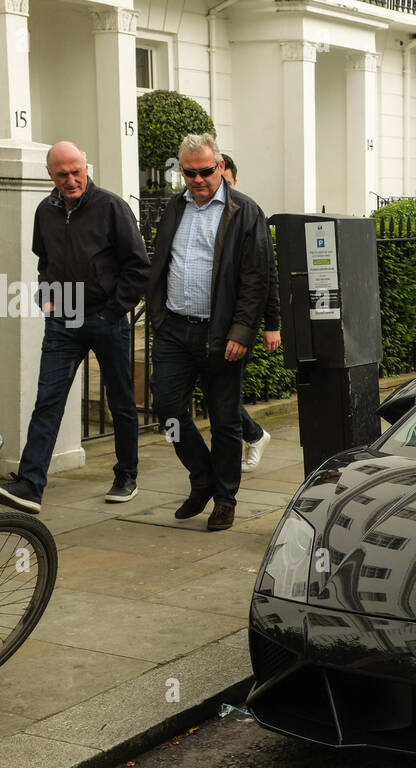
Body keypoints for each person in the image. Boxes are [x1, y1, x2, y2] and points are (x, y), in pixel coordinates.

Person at [0, 141, 150, 514]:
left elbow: (138, 266)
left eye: (77, 171)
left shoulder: (111, 207)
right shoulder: (45, 211)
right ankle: (29, 485)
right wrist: (47, 298)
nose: (71, 180)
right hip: (64, 319)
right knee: (48, 401)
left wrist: (111, 312)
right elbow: (45, 261)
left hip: (107, 318)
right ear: (50, 175)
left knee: (120, 400)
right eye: (62, 174)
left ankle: (126, 476)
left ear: (86, 168)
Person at [146, 133, 280, 531]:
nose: (199, 179)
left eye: (206, 171)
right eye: (190, 172)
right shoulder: (174, 206)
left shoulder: (244, 211)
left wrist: (243, 330)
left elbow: (258, 277)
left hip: (221, 334)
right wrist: (156, 314)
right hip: (173, 327)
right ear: (181, 171)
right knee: (167, 409)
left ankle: (225, 498)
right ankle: (202, 477)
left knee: (225, 420)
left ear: (221, 166)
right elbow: (162, 260)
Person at [218, 152, 273, 471]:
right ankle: (252, 436)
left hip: (238, 322)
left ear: (233, 180)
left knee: (223, 395)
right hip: (207, 322)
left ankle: (252, 436)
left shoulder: (248, 214)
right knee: (216, 396)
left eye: (223, 181)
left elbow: (265, 277)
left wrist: (271, 324)